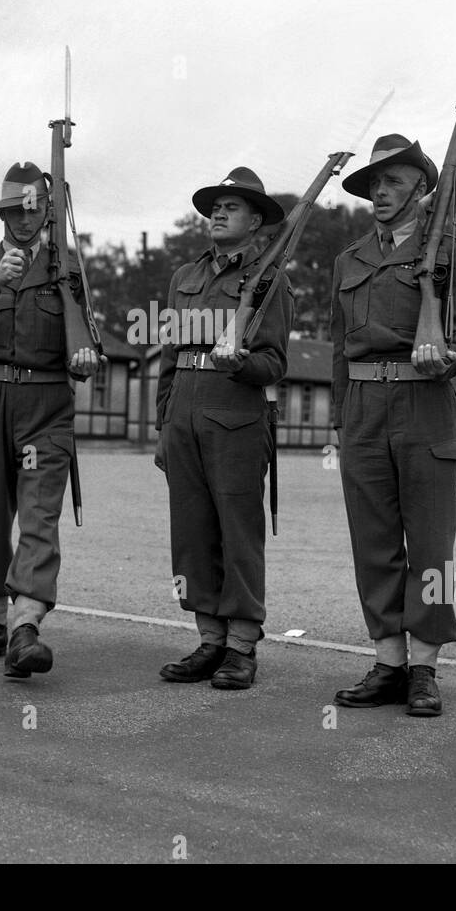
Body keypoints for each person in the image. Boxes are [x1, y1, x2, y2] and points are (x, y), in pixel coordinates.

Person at [327, 133, 456, 717]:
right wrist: (340, 420)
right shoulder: (349, 260)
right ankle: (388, 661)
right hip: (364, 412)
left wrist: (445, 356)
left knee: (431, 546)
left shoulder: (447, 254)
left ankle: (425, 669)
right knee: (373, 542)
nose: (380, 192)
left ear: (422, 188)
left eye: (392, 181)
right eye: (373, 184)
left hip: (425, 406)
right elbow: (340, 347)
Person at [0, 162, 99, 678]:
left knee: (39, 515)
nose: (24, 220)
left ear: (47, 214)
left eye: (34, 210)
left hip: (47, 403)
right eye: (15, 210)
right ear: (4, 214)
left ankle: (25, 624)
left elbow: (91, 343)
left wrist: (86, 358)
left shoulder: (70, 273)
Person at [154, 168, 291, 691]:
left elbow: (275, 362)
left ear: (256, 221)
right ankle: (208, 639)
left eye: (231, 207)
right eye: (215, 206)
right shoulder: (185, 277)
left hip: (235, 415)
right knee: (191, 535)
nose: (217, 213)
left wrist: (241, 365)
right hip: (185, 415)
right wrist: (163, 425)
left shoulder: (270, 281)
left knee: (238, 535)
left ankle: (240, 647)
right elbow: (170, 355)